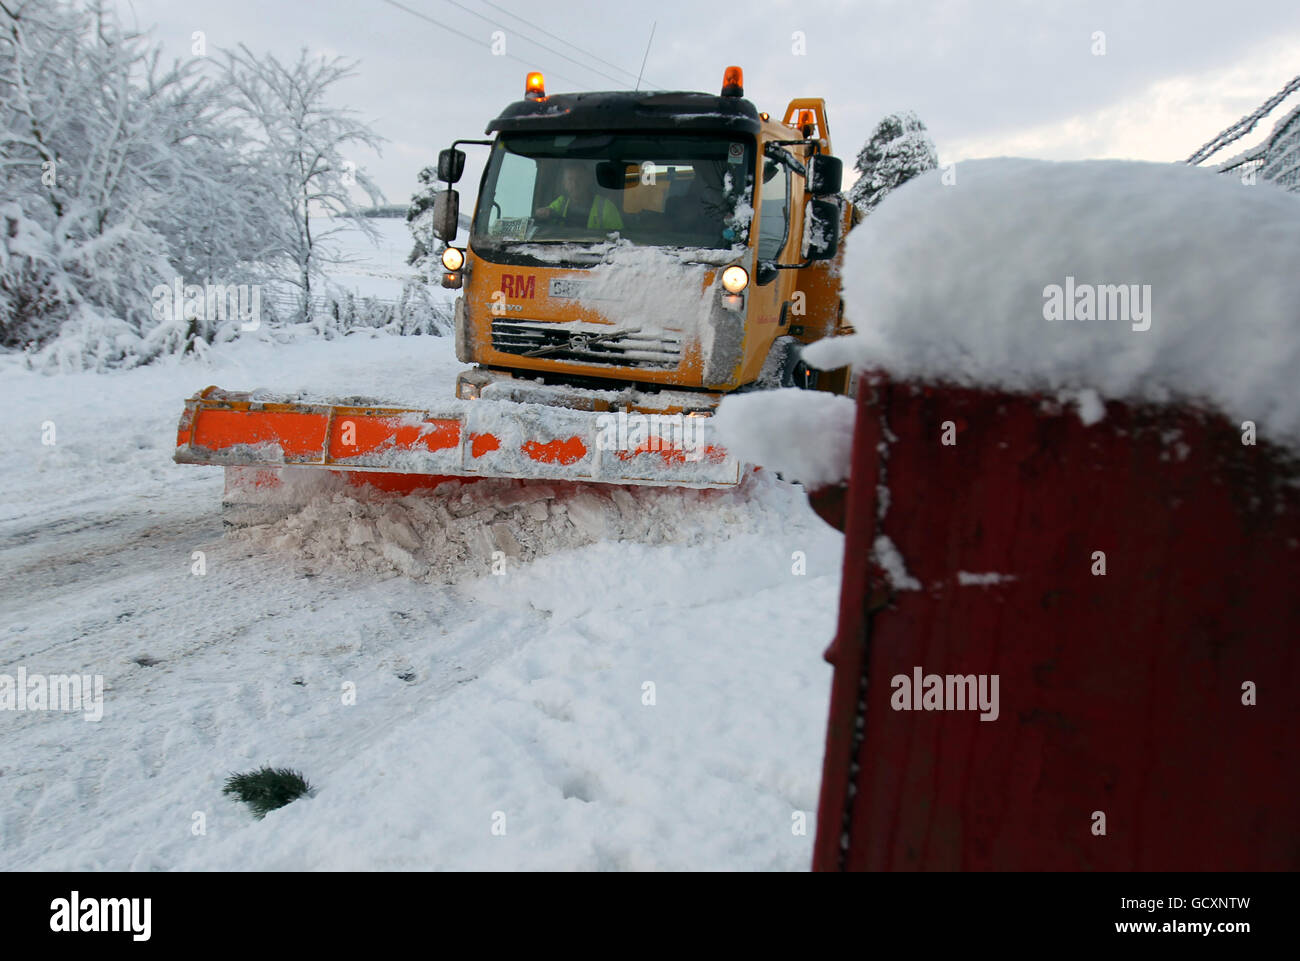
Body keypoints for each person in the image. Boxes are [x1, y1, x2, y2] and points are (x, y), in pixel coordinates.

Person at [535, 163, 623, 231]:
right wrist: (542, 213)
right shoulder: (561, 202)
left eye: (579, 179)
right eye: (570, 179)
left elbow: (618, 237)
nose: (574, 184)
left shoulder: (605, 206)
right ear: (564, 184)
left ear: (588, 180)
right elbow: (545, 213)